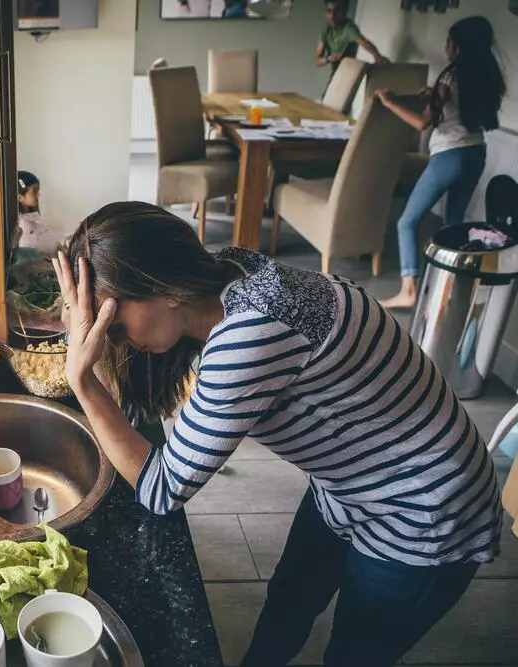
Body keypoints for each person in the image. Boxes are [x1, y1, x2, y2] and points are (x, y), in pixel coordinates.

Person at [52, 201, 500, 667]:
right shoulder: (229, 272)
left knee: (354, 653)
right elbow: (128, 409)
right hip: (347, 485)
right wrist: (79, 335)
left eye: (114, 325)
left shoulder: (250, 333)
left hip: (425, 508)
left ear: (165, 288)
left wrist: (81, 378)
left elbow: (161, 488)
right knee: (288, 602)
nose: (114, 340)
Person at [377, 16, 506, 309]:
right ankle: (451, 288)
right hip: (475, 153)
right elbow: (461, 108)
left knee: (407, 221)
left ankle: (408, 290)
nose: (445, 46)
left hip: (449, 156)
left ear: (458, 46)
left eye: (448, 41)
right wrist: (434, 96)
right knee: (453, 223)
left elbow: (422, 123)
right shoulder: (484, 75)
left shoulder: (449, 76)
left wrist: (389, 102)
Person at [315, 0, 389, 72]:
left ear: (345, 11)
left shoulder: (349, 29)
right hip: (335, 72)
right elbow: (317, 61)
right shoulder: (326, 29)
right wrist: (329, 58)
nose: (332, 16)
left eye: (337, 11)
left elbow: (363, 42)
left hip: (348, 72)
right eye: (329, 11)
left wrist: (376, 55)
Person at [16, 170, 62, 253]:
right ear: (20, 197)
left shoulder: (31, 218)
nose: (38, 195)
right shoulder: (23, 224)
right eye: (34, 192)